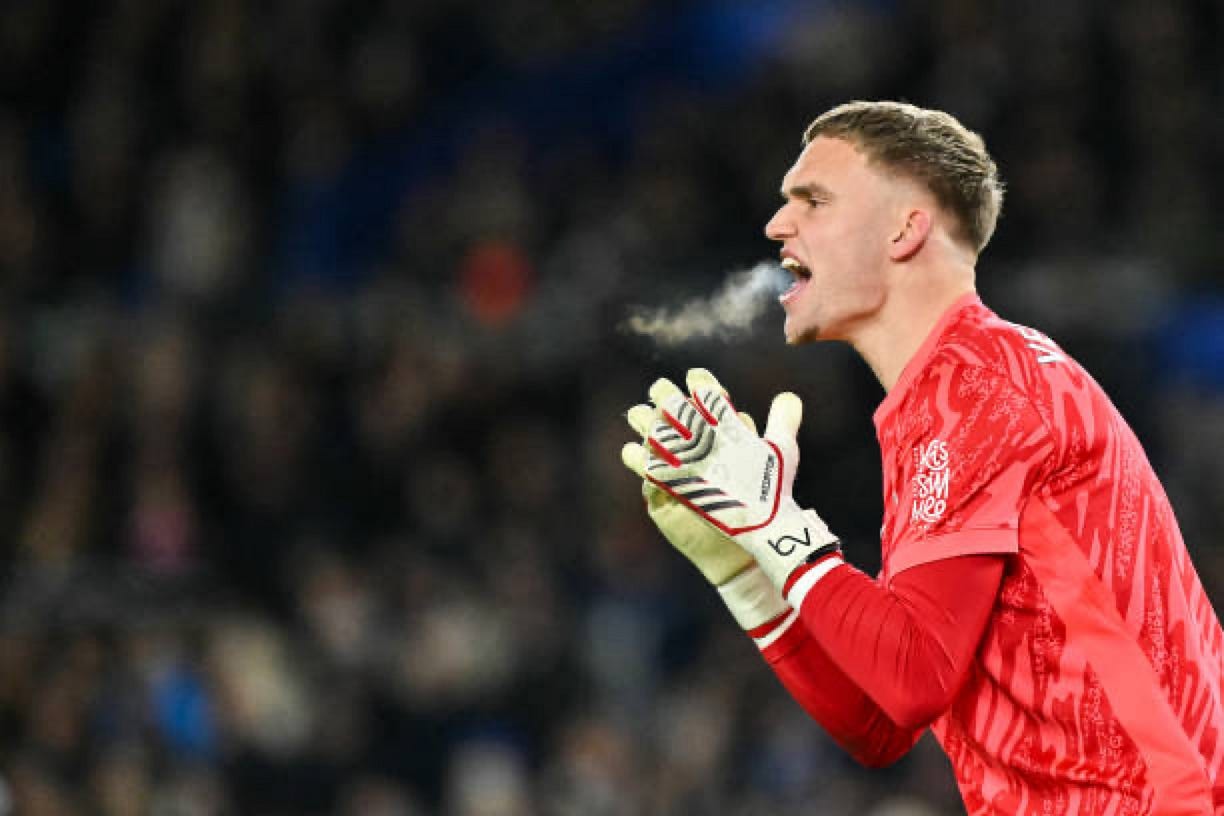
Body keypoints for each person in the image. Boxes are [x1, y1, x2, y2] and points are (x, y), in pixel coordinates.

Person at [621, 101, 1224, 815]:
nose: (777, 225)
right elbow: (882, 721)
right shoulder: (948, 393)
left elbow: (913, 678)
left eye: (813, 200)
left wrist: (775, 526)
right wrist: (751, 574)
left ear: (905, 230)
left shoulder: (980, 388)